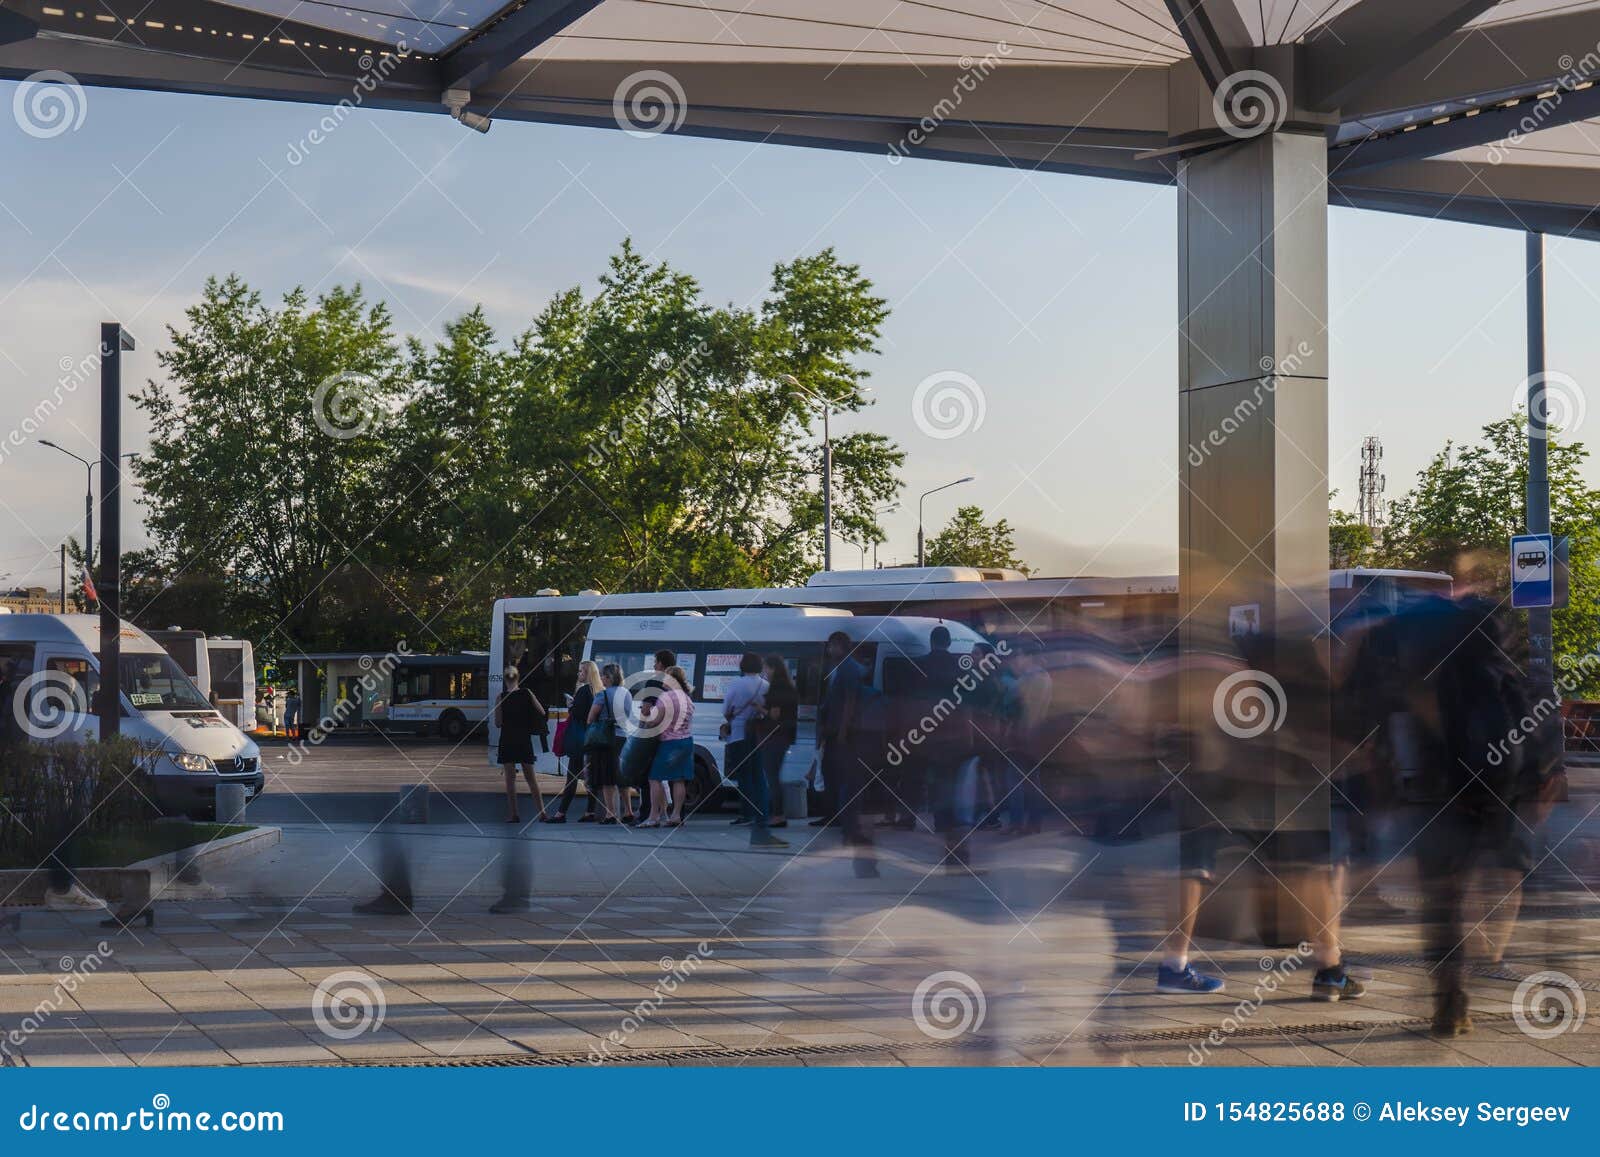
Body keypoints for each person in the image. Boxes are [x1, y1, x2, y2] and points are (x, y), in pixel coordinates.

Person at [917, 625, 979, 874]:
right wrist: (969, 736)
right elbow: (965, 707)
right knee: (954, 788)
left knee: (936, 782)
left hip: (927, 736)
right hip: (955, 739)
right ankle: (954, 843)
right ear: (949, 642)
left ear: (932, 642)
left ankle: (941, 822)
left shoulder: (919, 667)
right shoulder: (958, 669)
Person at [723, 652, 785, 847]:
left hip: (738, 734)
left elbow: (726, 710)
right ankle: (759, 816)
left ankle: (746, 813)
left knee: (744, 776)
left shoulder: (736, 684)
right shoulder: (766, 686)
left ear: (742, 665)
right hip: (759, 736)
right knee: (759, 776)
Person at [641, 665, 695, 828]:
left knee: (654, 778)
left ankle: (653, 816)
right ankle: (676, 815)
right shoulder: (686, 697)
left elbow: (655, 720)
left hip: (669, 743)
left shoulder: (666, 697)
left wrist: (646, 717)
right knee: (678, 779)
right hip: (686, 741)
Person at [544, 661, 599, 823]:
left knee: (572, 778)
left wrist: (570, 705)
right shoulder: (597, 690)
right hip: (591, 738)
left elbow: (579, 714)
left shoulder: (583, 691)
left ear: (588, 673)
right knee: (590, 778)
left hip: (579, 740)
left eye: (581, 671)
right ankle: (590, 811)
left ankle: (561, 813)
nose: (578, 674)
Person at [494, 666, 546, 823]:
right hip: (524, 739)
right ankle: (542, 812)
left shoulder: (500, 697)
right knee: (531, 779)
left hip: (507, 740)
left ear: (505, 679)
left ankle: (514, 814)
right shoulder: (527, 693)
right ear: (518, 678)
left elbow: (498, 723)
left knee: (510, 781)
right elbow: (542, 712)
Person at [587, 663, 635, 825]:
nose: (600, 679)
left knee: (607, 778)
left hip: (607, 740)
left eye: (602, 676)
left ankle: (611, 813)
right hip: (623, 738)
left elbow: (590, 718)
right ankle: (628, 811)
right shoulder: (627, 693)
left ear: (608, 678)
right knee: (621, 777)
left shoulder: (603, 695)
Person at [758, 655, 799, 831]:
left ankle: (777, 815)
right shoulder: (790, 687)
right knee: (774, 776)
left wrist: (758, 707)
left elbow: (774, 715)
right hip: (785, 736)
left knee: (772, 777)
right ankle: (777, 814)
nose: (764, 672)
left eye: (766, 668)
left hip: (774, 737)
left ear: (773, 668)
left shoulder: (777, 688)